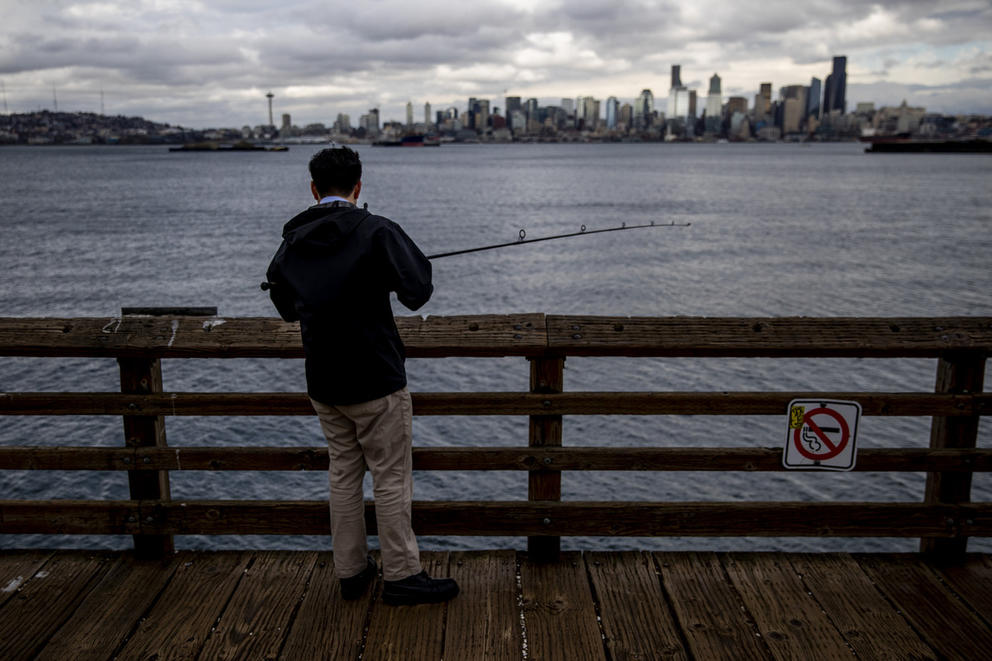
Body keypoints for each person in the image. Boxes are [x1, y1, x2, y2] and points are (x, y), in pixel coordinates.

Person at [265, 146, 458, 605]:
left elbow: (286, 305)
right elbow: (418, 291)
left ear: (313, 189)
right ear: (358, 186)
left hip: (325, 382)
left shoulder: (292, 242)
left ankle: (351, 571)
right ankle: (402, 576)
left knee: (344, 474)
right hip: (376, 378)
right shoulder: (376, 231)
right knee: (391, 477)